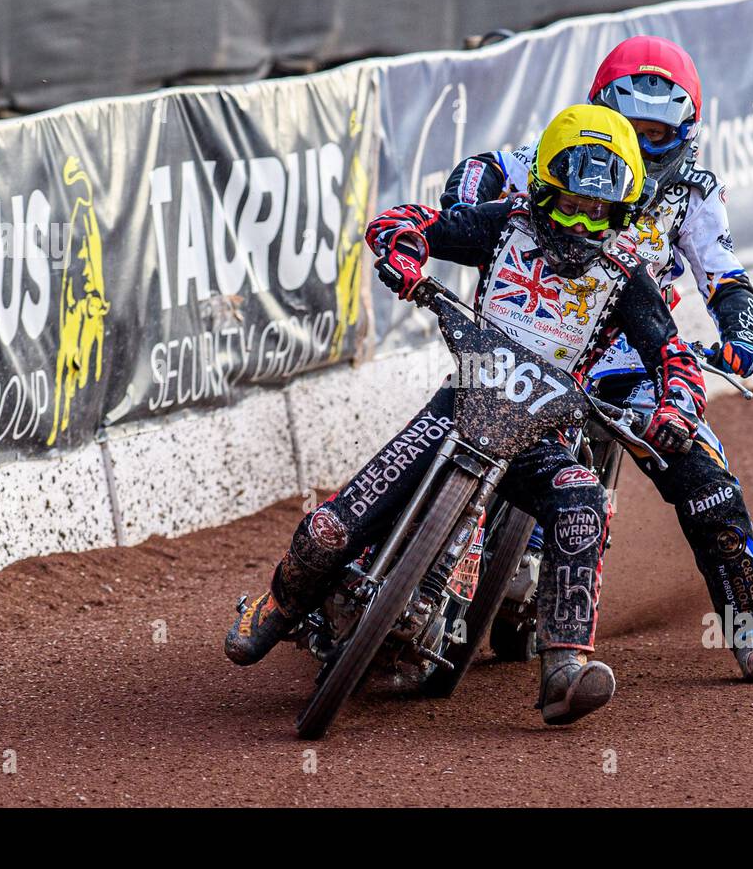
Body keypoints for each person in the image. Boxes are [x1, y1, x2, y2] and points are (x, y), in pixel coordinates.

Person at [225, 104, 710, 725]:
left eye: (600, 211)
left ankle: (564, 666)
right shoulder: (504, 225)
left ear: (621, 214)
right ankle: (275, 607)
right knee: (330, 529)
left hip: (543, 431)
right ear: (542, 192)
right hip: (462, 405)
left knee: (583, 497)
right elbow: (409, 222)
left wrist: (677, 407)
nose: (583, 222)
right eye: (570, 204)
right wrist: (403, 252)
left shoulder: (625, 278)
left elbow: (673, 356)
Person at [441, 36, 753, 681]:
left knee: (701, 472)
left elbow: (726, 274)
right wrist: (463, 214)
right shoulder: (563, 152)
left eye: (659, 132)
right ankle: (383, 571)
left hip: (635, 359)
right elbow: (481, 169)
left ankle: (751, 626)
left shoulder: (693, 191)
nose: (641, 143)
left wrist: (742, 337)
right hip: (533, 342)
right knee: (446, 433)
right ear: (600, 109)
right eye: (631, 125)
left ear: (686, 131)